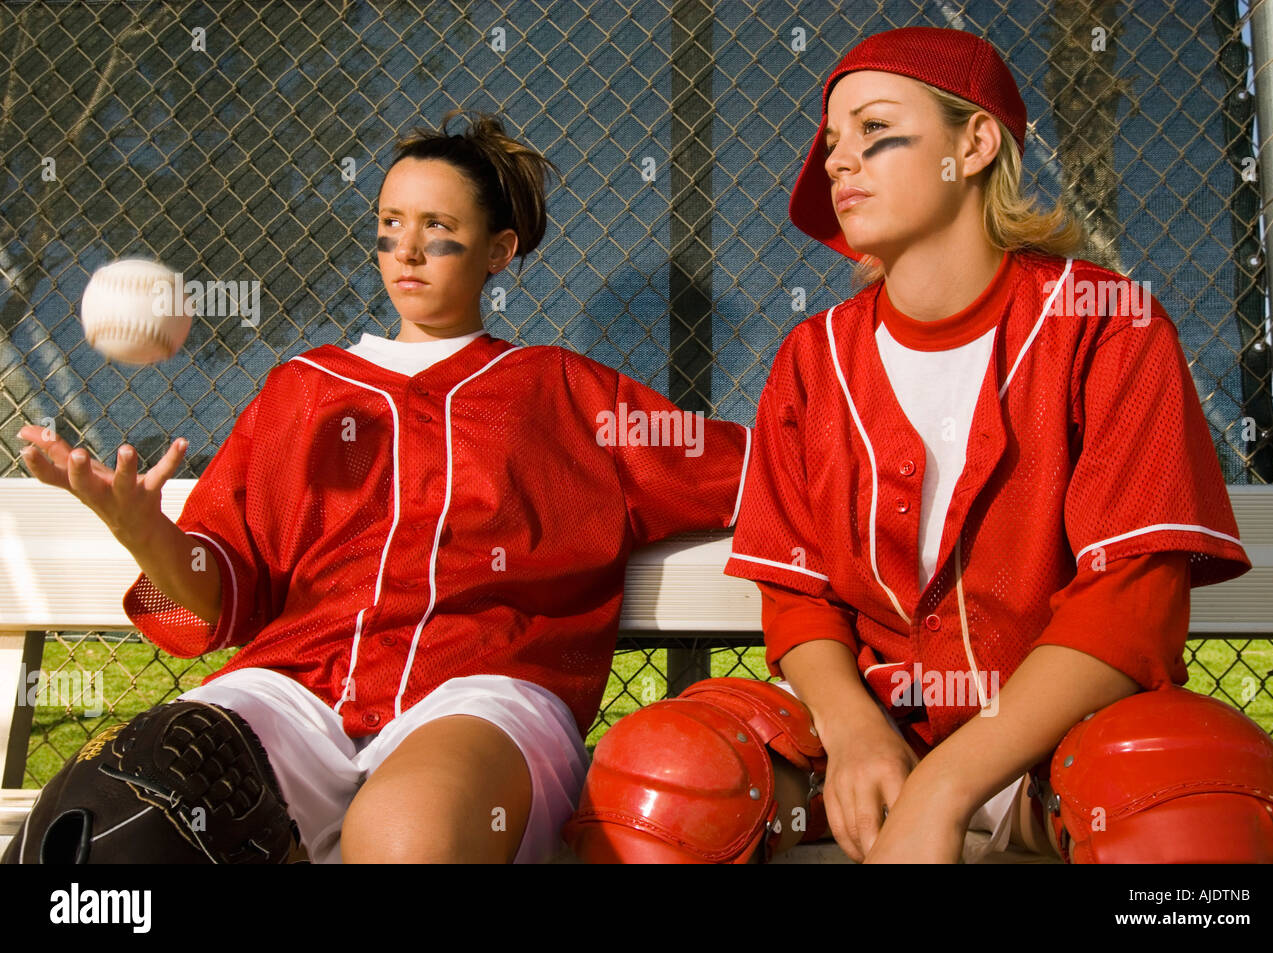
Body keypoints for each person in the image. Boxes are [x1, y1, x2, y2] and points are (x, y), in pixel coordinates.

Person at [564, 26, 1273, 864]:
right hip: (863, 743)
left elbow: (1132, 598)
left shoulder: (1104, 320)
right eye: (832, 143)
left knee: (1193, 803)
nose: (839, 161)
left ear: (976, 142)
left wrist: (947, 786)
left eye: (876, 131)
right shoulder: (814, 355)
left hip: (1055, 743)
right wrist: (852, 733)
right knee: (658, 789)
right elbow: (799, 594)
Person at [9, 111, 751, 865]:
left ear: (499, 249)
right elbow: (218, 594)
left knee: (407, 840)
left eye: (438, 225)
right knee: (105, 825)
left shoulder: (565, 393)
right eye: (391, 222)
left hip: (482, 694)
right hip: (294, 690)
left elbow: (766, 471)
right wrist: (146, 532)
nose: (409, 248)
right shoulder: (304, 390)